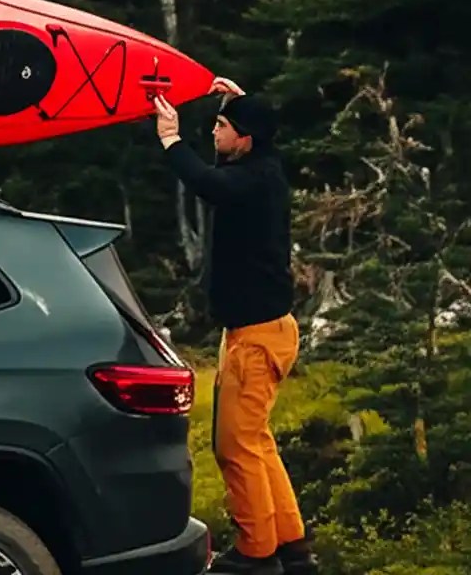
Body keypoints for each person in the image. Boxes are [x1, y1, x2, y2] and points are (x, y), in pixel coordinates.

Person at [153, 79, 318, 575]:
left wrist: (170, 140)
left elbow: (210, 184)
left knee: (235, 447)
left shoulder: (251, 180)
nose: (215, 131)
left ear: (244, 138)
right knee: (256, 441)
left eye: (222, 125)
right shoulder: (261, 166)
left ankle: (255, 553)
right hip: (253, 331)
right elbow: (242, 151)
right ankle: (290, 545)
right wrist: (236, 101)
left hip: (257, 335)